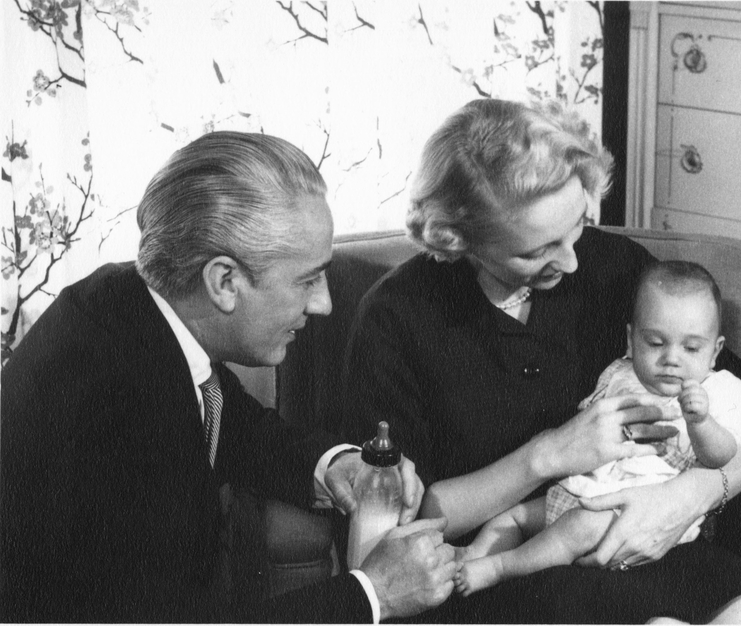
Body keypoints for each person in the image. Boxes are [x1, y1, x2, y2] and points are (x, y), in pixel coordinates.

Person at [340, 99, 741, 623]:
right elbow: (398, 522)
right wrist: (548, 455)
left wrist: (685, 498)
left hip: (666, 554)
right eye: (536, 251)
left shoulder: (614, 268)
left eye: (578, 223)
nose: (572, 260)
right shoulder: (398, 318)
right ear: (460, 239)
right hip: (504, 581)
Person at [0, 131, 458, 623]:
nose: (323, 304)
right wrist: (374, 593)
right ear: (223, 281)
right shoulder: (114, 412)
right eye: (307, 279)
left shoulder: (131, 304)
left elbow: (232, 423)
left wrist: (335, 464)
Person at [452, 260, 741, 622]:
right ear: (631, 340)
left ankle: (500, 568)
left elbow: (722, 455)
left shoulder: (719, 391)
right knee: (514, 517)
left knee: (576, 529)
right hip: (585, 488)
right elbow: (585, 431)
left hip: (640, 510)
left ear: (715, 352)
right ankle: (472, 557)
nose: (671, 359)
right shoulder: (619, 373)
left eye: (691, 349)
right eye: (655, 343)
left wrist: (700, 422)